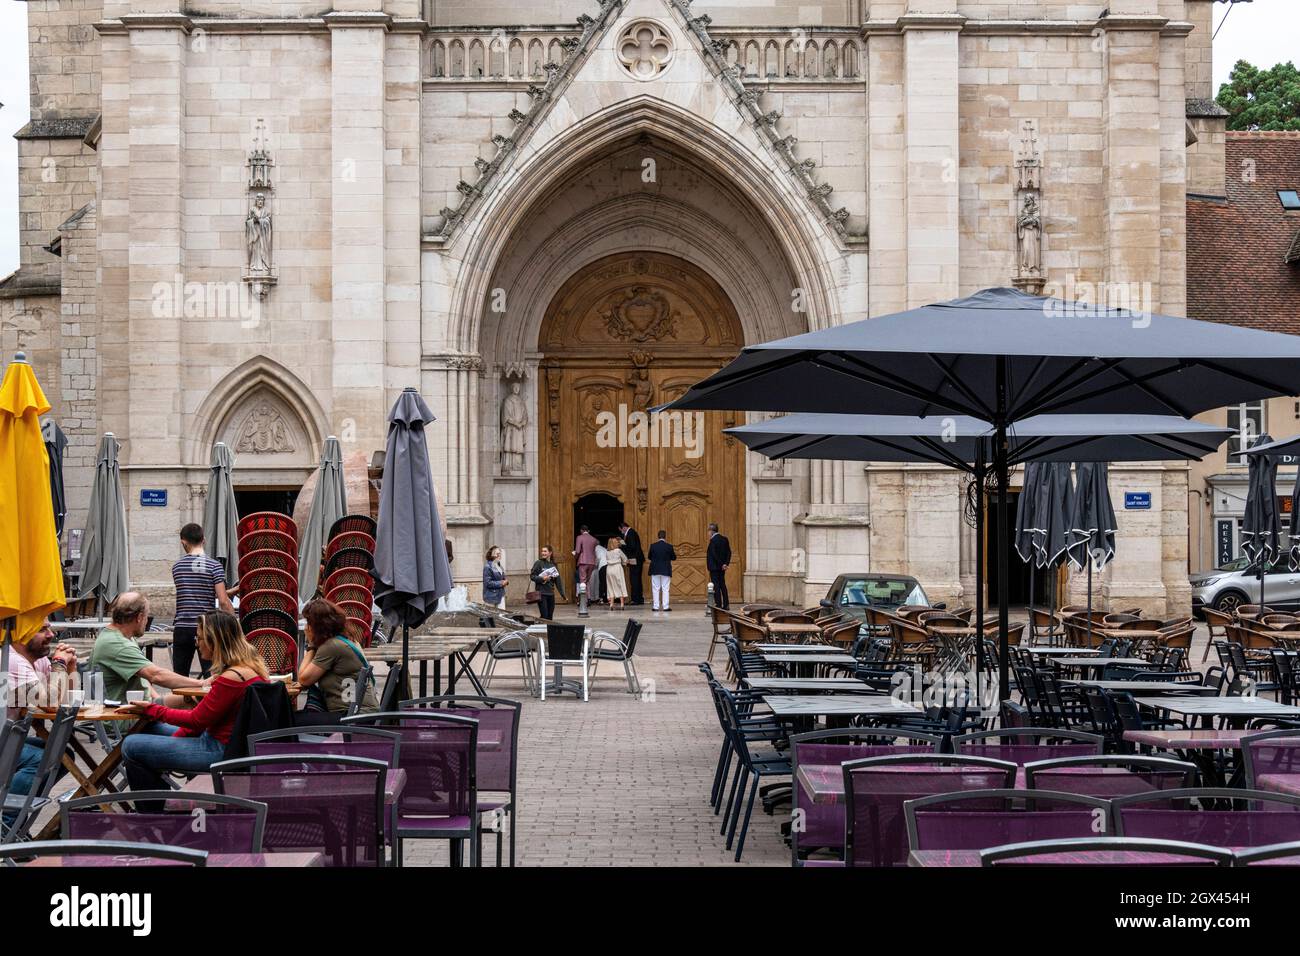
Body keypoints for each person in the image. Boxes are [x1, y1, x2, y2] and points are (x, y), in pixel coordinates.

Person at [119, 611, 268, 793]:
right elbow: (204, 719)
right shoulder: (249, 670)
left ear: (214, 641)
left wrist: (152, 709)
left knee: (131, 744)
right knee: (149, 728)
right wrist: (176, 738)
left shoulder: (231, 678)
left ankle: (154, 809)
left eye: (199, 638)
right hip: (227, 743)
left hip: (218, 750)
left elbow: (197, 720)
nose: (196, 643)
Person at [5, 619, 75, 820]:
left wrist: (70, 668)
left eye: (49, 628)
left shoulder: (38, 659)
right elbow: (52, 704)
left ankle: (16, 817)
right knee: (40, 760)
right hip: (4, 739)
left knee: (63, 755)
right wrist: (60, 663)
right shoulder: (10, 660)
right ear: (21, 634)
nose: (51, 635)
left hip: (8, 737)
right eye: (42, 629)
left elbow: (66, 701)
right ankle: (7, 824)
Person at [88, 592, 206, 708]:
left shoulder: (124, 637)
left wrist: (191, 697)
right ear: (139, 617)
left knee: (194, 703)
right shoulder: (117, 644)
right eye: (146, 617)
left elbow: (148, 686)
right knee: (196, 725)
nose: (146, 622)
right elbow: (156, 675)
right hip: (124, 719)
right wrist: (202, 683)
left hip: (141, 709)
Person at [295, 599, 378, 724]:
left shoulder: (332, 646)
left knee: (288, 721)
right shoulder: (348, 640)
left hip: (354, 717)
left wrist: (311, 644)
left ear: (317, 625)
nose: (307, 627)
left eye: (308, 622)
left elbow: (303, 679)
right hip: (362, 713)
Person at [172, 522, 236, 679]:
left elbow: (194, 591)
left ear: (183, 542)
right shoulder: (214, 566)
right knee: (211, 675)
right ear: (204, 540)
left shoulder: (177, 567)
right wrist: (234, 623)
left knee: (180, 677)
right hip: (206, 628)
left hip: (182, 627)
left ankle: (181, 703)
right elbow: (222, 601)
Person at [529, 546, 563, 621]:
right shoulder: (538, 563)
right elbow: (532, 576)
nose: (543, 553)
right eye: (542, 551)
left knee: (550, 616)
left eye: (545, 551)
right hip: (541, 593)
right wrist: (542, 578)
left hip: (550, 593)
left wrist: (563, 594)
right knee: (544, 616)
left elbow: (558, 581)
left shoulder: (553, 565)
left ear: (550, 553)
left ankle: (546, 630)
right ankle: (541, 629)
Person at [647, 530, 677, 612]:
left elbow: (649, 557)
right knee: (665, 588)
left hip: (655, 569)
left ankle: (655, 606)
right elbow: (674, 557)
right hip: (665, 569)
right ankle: (665, 606)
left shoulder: (653, 546)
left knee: (655, 588)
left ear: (658, 536)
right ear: (665, 536)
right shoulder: (669, 546)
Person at [707, 523, 732, 609]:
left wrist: (721, 564)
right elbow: (729, 552)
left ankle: (718, 604)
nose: (708, 533)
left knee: (716, 586)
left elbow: (714, 555)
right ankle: (726, 604)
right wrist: (725, 564)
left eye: (708, 531)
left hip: (714, 567)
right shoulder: (725, 539)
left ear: (711, 531)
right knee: (722, 585)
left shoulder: (713, 541)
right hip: (722, 568)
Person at [619, 522, 644, 606]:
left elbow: (632, 547)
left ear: (623, 527)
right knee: (636, 579)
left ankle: (636, 599)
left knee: (634, 580)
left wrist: (622, 545)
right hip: (636, 559)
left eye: (621, 530)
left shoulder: (631, 533)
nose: (621, 532)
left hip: (635, 559)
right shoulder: (631, 533)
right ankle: (639, 599)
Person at [572, 525, 599, 595]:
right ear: (588, 530)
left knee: (582, 581)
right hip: (592, 562)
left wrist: (575, 557)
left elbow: (577, 551)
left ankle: (584, 600)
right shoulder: (594, 539)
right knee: (587, 580)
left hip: (583, 561)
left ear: (581, 530)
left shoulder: (579, 537)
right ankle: (589, 597)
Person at [604, 537, 629, 611]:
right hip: (617, 568)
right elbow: (625, 559)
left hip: (609, 569)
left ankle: (611, 604)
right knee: (620, 584)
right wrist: (626, 562)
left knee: (610, 585)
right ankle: (622, 604)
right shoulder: (618, 550)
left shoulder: (607, 552)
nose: (618, 543)